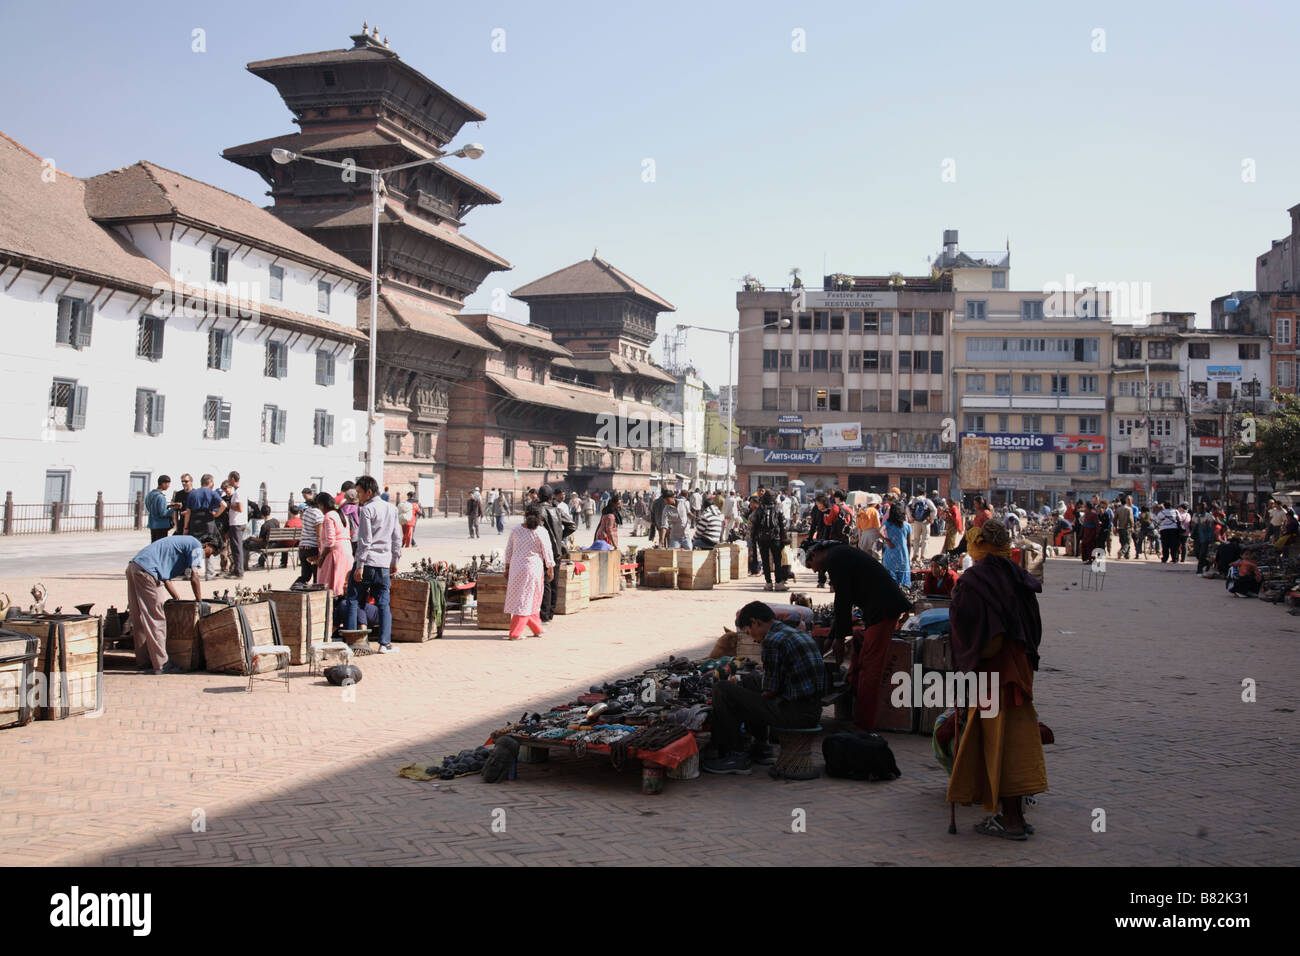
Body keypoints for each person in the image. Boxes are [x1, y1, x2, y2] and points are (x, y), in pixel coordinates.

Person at [946, 519, 1047, 840]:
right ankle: (1011, 815)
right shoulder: (1016, 575)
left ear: (978, 547)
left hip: (996, 674)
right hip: (1020, 668)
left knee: (1000, 744)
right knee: (1014, 739)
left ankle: (1013, 820)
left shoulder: (974, 580)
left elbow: (971, 630)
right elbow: (1033, 625)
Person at [703, 601, 826, 775]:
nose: (752, 638)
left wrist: (742, 702)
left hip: (796, 714)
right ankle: (762, 747)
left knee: (723, 690)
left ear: (755, 622)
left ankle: (734, 755)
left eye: (748, 630)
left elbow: (770, 691)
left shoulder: (772, 641)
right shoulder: (793, 633)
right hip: (812, 709)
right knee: (751, 680)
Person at [804, 541, 912, 730]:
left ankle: (864, 725)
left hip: (883, 610)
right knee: (861, 649)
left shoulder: (835, 558)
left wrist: (838, 638)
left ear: (814, 555)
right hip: (878, 609)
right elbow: (844, 599)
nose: (815, 572)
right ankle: (854, 696)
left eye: (811, 567)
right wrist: (834, 634)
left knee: (871, 669)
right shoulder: (839, 554)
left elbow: (843, 598)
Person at [125, 533, 220, 674]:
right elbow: (194, 576)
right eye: (210, 553)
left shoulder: (182, 544)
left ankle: (144, 662)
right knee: (156, 619)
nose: (208, 557)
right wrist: (199, 601)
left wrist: (176, 597)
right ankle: (161, 664)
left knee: (139, 618)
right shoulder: (196, 546)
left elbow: (166, 578)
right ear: (206, 545)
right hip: (147, 572)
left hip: (134, 567)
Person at [340, 475, 402, 654]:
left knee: (353, 600)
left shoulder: (367, 509)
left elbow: (365, 540)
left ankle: (353, 642)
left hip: (367, 563)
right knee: (383, 603)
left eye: (359, 492)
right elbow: (396, 537)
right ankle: (385, 643)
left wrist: (359, 565)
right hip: (383, 563)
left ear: (369, 492)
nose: (357, 496)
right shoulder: (391, 508)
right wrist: (395, 560)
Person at [503, 504, 555, 640]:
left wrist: (507, 568)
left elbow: (508, 550)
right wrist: (550, 568)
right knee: (527, 599)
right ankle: (515, 632)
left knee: (526, 598)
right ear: (540, 518)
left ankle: (537, 628)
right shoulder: (541, 532)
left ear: (525, 516)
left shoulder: (516, 530)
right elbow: (547, 552)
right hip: (533, 569)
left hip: (516, 569)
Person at [535, 484, 574, 623]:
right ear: (551, 497)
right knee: (553, 582)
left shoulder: (537, 510)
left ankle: (544, 614)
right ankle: (550, 612)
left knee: (544, 582)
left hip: (541, 552)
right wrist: (560, 536)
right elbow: (572, 525)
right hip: (556, 550)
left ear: (539, 496)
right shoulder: (556, 510)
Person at [185, 474, 227, 580]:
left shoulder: (192, 493)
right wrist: (216, 514)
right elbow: (224, 505)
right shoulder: (212, 493)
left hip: (194, 521)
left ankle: (192, 573)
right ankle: (209, 573)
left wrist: (185, 528)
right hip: (208, 521)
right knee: (211, 546)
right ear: (211, 482)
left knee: (194, 546)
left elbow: (188, 512)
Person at [312, 493, 351, 596]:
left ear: (322, 505)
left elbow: (330, 541)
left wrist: (321, 557)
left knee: (331, 583)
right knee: (342, 581)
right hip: (346, 549)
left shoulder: (329, 516)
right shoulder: (341, 514)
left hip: (335, 552)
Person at [749, 489, 787, 591]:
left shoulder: (759, 509)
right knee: (777, 561)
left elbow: (754, 524)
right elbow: (783, 525)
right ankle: (778, 583)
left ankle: (768, 583)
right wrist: (784, 538)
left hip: (762, 538)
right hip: (776, 538)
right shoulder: (778, 508)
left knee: (765, 561)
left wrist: (753, 537)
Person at [293, 492, 323, 588]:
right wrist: (321, 549)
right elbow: (319, 534)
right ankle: (314, 595)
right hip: (312, 547)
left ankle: (295, 590)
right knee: (316, 576)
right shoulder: (318, 513)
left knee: (305, 576)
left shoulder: (307, 512)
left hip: (303, 546)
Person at [880, 502, 912, 587]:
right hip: (903, 555)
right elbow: (909, 544)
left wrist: (888, 541)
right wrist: (908, 557)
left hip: (890, 554)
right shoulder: (907, 526)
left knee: (890, 583)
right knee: (903, 585)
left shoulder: (888, 524)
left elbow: (880, 532)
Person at [225, 471, 247, 579]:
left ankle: (239, 572)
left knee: (237, 547)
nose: (228, 481)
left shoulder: (238, 493)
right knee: (236, 547)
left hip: (237, 523)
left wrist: (229, 506)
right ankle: (237, 570)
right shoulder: (239, 491)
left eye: (229, 479)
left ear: (233, 479)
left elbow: (240, 508)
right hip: (238, 522)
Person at [910, 493, 937, 561]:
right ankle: (923, 556)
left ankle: (915, 554)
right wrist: (931, 518)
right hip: (925, 522)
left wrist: (911, 518)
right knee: (925, 539)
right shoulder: (927, 500)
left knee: (916, 539)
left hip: (916, 522)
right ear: (924, 494)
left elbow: (908, 508)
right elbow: (934, 509)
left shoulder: (914, 500)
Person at [146, 475, 173, 542]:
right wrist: (174, 509)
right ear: (163, 483)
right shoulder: (161, 497)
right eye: (168, 483)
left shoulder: (149, 494)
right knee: (161, 547)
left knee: (154, 545)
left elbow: (149, 508)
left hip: (152, 524)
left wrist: (167, 507)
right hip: (161, 526)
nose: (168, 486)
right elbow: (163, 513)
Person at [1114, 494, 1133, 559]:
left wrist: (1115, 527)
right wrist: (1132, 526)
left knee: (1122, 542)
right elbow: (1130, 519)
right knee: (1128, 541)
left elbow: (1115, 519)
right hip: (1126, 527)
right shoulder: (1129, 509)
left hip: (1120, 527)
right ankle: (1122, 552)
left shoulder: (1118, 509)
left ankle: (1127, 555)